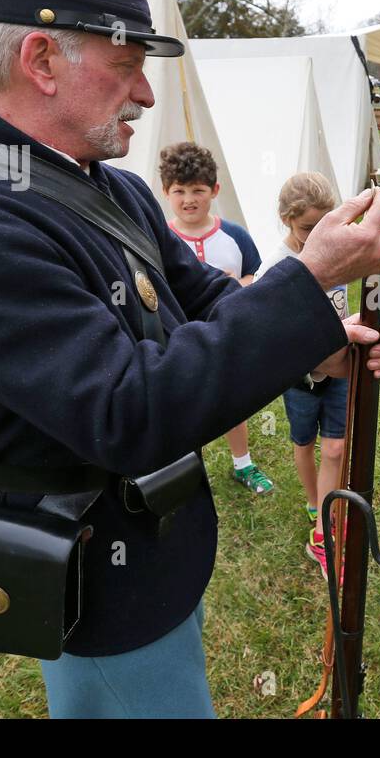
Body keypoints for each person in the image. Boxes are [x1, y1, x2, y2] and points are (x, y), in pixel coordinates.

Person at [0, 0, 380, 718]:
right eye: (127, 66)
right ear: (42, 61)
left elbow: (203, 301)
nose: (148, 94)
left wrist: (323, 350)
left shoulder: (109, 188)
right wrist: (310, 278)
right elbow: (130, 411)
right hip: (94, 571)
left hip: (159, 544)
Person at [160, 141, 275, 495]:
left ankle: (242, 463)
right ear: (166, 192)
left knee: (231, 398)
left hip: (225, 334)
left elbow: (256, 277)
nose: (189, 199)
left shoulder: (235, 235)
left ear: (215, 190)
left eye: (198, 190)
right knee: (174, 404)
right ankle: (176, 469)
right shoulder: (161, 237)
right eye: (179, 191)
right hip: (175, 339)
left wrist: (233, 282)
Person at [256, 172, 350, 578]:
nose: (315, 236)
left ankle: (322, 530)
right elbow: (263, 326)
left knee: (335, 449)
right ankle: (316, 502)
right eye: (306, 228)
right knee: (304, 440)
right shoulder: (276, 266)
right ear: (286, 220)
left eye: (322, 226)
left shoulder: (338, 250)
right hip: (298, 376)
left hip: (342, 369)